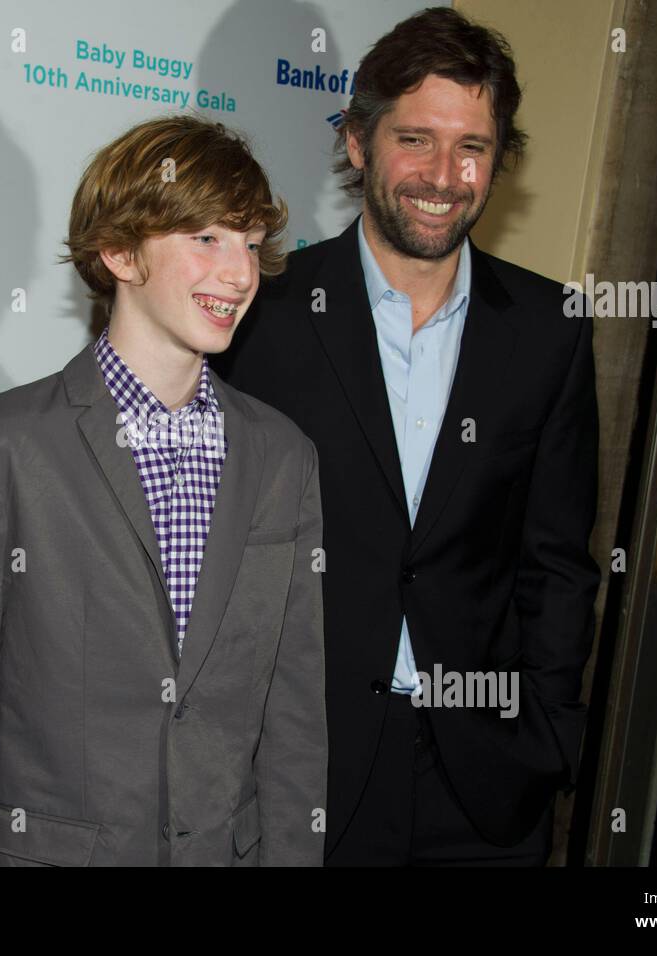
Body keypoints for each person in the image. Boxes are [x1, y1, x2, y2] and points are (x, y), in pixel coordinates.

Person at [215, 6, 601, 865]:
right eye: (415, 139)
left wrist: (548, 736)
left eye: (473, 147)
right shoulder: (262, 316)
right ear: (357, 142)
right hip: (296, 765)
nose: (443, 174)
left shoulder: (550, 328)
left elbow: (558, 563)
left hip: (483, 776)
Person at [0, 115, 326, 866]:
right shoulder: (0, 446)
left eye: (251, 245)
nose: (239, 274)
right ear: (120, 251)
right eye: (207, 239)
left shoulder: (282, 455)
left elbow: (293, 715)